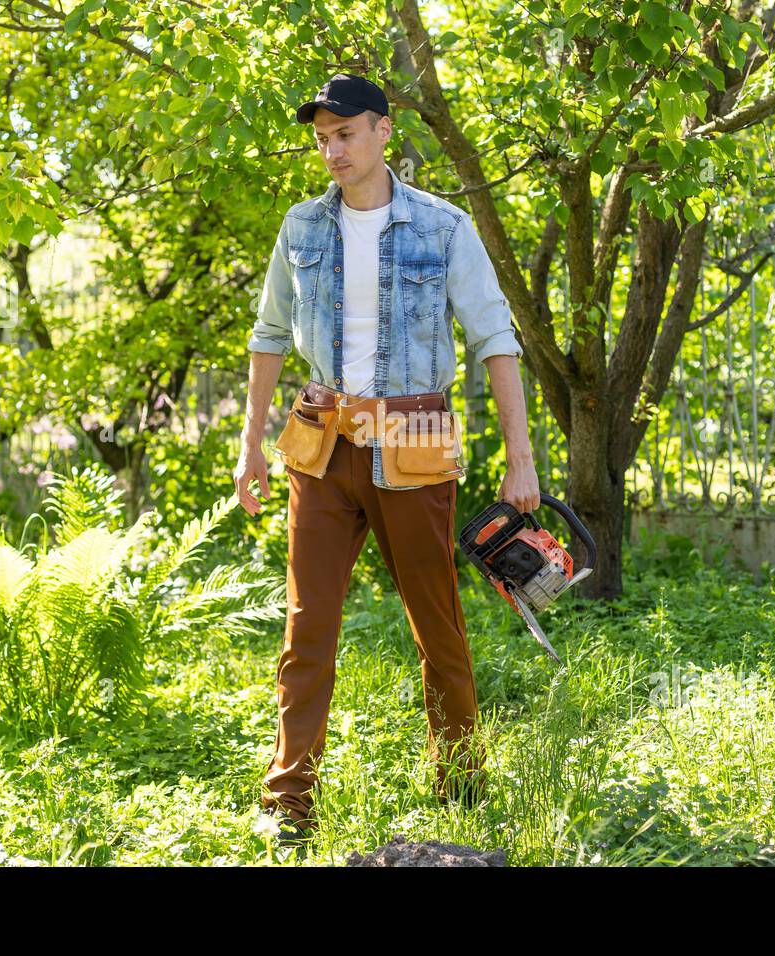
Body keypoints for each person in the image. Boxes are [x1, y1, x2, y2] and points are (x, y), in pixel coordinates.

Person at [233, 73, 540, 845]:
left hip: (414, 436)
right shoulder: (302, 227)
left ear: (382, 132)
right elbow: (269, 335)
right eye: (322, 139)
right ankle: (289, 802)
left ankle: (463, 784)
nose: (331, 151)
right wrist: (249, 449)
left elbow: (495, 339)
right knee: (308, 625)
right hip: (321, 436)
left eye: (344, 134)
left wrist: (521, 457)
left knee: (436, 621)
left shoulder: (443, 228)